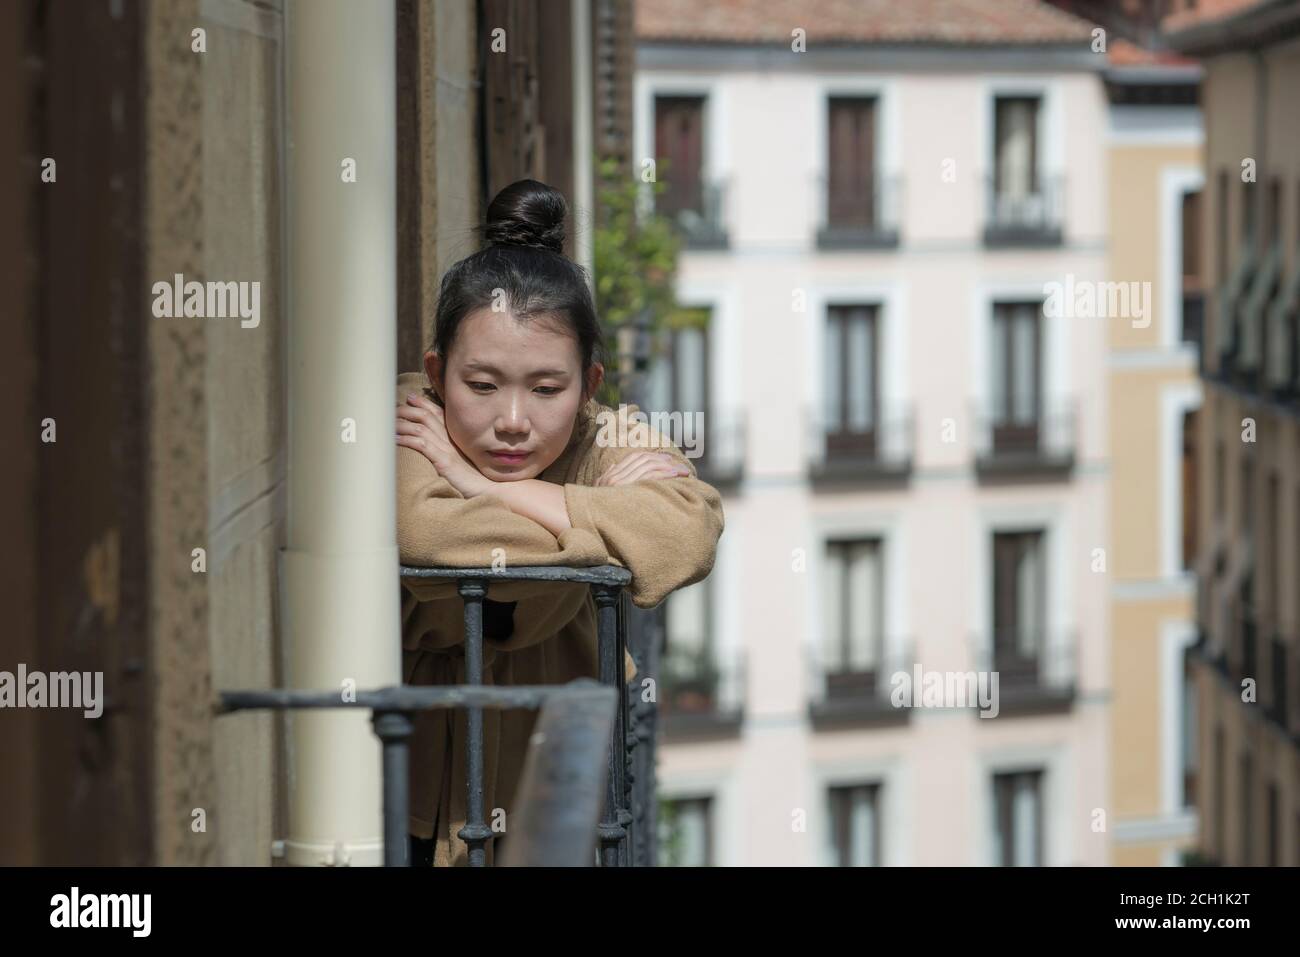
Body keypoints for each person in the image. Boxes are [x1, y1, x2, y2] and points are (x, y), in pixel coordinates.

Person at [394, 179, 725, 865]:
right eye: (481, 385)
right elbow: (426, 535)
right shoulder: (412, 419)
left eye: (547, 389)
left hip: (554, 784)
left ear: (589, 385)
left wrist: (477, 487)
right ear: (437, 371)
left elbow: (688, 527)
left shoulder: (604, 434)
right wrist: (598, 534)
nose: (512, 420)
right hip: (415, 785)